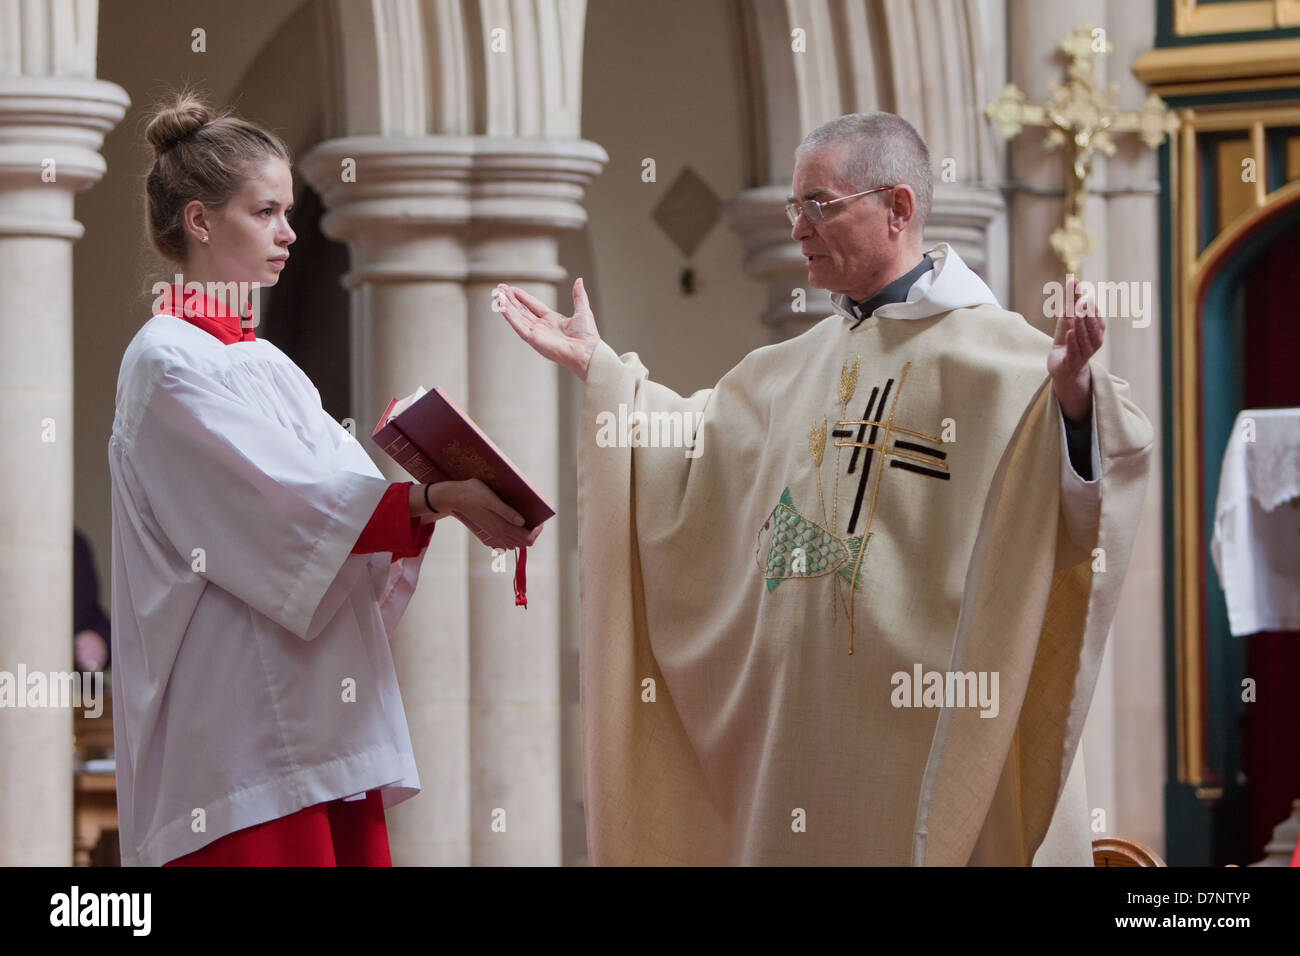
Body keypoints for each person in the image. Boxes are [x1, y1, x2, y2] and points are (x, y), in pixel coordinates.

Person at [496, 111, 1153, 865]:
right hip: (800, 744)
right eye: (792, 207)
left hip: (927, 729)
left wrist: (1073, 399)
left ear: (897, 208)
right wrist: (602, 369)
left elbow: (1100, 477)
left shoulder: (1000, 357)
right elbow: (692, 445)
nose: (798, 228)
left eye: (820, 204)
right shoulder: (791, 368)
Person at [108, 92, 540, 867]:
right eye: (265, 212)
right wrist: (429, 498)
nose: (288, 233)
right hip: (237, 728)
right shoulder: (165, 360)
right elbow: (287, 510)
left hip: (316, 712)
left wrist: (433, 482)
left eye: (287, 211)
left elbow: (335, 503)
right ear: (201, 222)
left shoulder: (264, 361)